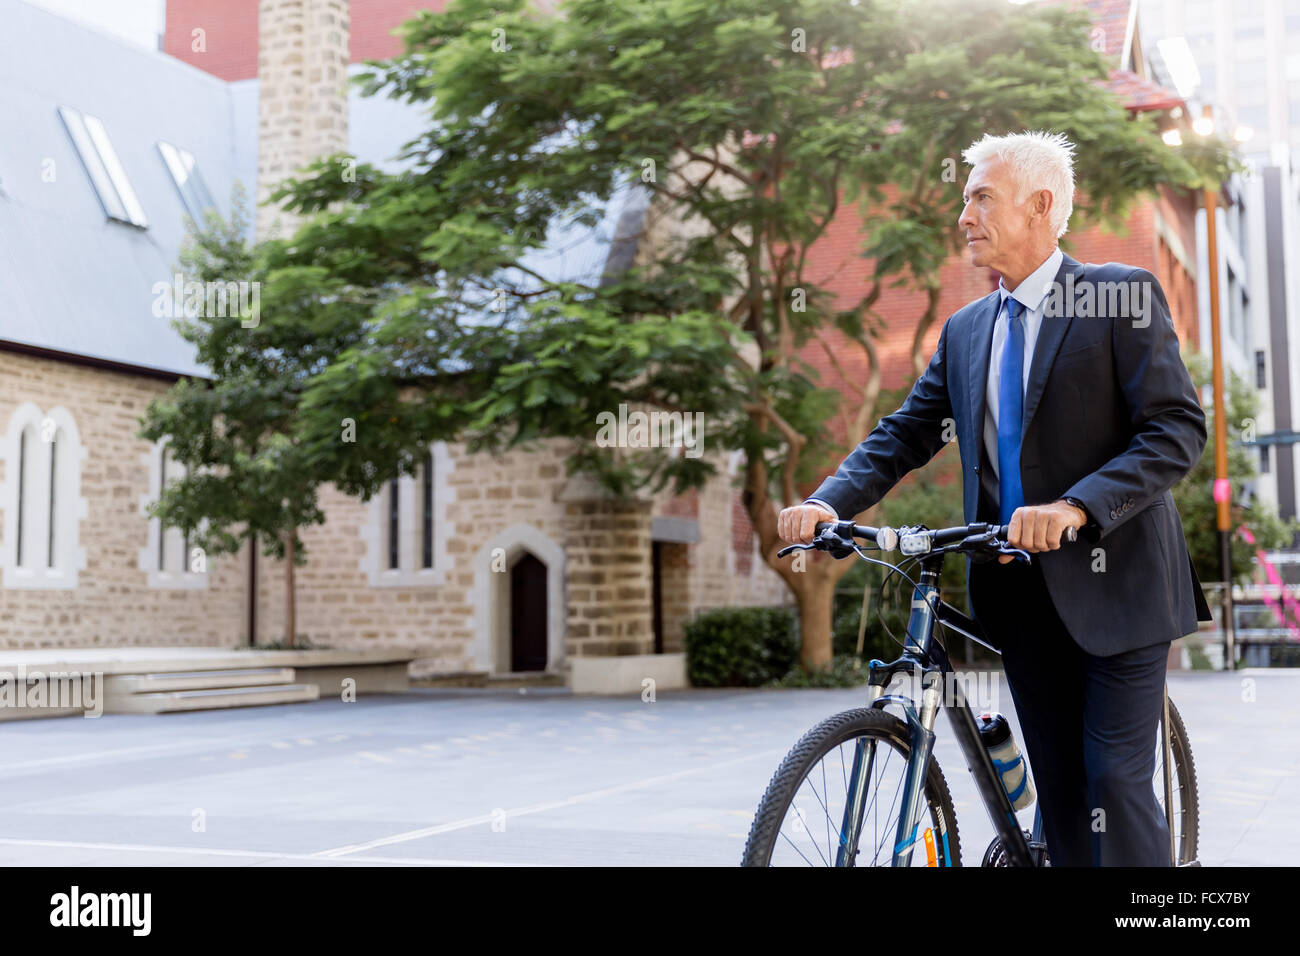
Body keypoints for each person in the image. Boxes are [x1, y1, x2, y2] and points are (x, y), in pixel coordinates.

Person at [778, 130, 1212, 866]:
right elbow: (905, 434)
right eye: (965, 198)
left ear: (1041, 205)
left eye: (980, 196)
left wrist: (1076, 507)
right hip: (1018, 596)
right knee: (1063, 792)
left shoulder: (1118, 295)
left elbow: (1175, 431)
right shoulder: (967, 328)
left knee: (1112, 781)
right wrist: (829, 501)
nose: (964, 215)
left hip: (1123, 587)